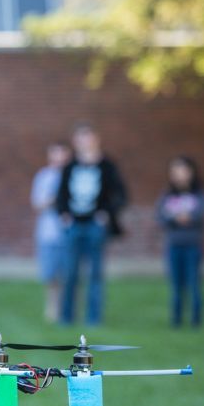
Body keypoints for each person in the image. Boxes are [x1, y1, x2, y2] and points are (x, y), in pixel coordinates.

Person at [57, 124, 128, 326]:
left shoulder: (107, 166)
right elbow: (60, 194)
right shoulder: (70, 166)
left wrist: (106, 213)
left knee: (95, 274)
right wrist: (63, 213)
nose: (84, 143)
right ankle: (66, 318)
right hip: (73, 225)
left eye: (87, 138)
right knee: (70, 273)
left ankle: (93, 319)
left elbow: (120, 195)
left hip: (95, 226)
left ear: (96, 139)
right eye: (80, 139)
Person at [156, 156, 204, 328]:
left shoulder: (199, 193)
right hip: (174, 244)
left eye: (183, 170)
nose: (180, 175)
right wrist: (175, 218)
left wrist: (188, 217)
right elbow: (161, 216)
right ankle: (176, 321)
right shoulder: (167, 194)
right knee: (176, 285)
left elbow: (200, 214)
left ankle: (196, 321)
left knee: (194, 284)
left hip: (193, 245)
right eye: (176, 171)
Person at [31, 141, 72, 322]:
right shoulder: (44, 176)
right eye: (55, 154)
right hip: (48, 231)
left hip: (69, 231)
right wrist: (54, 199)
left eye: (62, 154)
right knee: (50, 274)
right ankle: (51, 308)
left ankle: (67, 308)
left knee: (68, 273)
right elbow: (37, 203)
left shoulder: (73, 175)